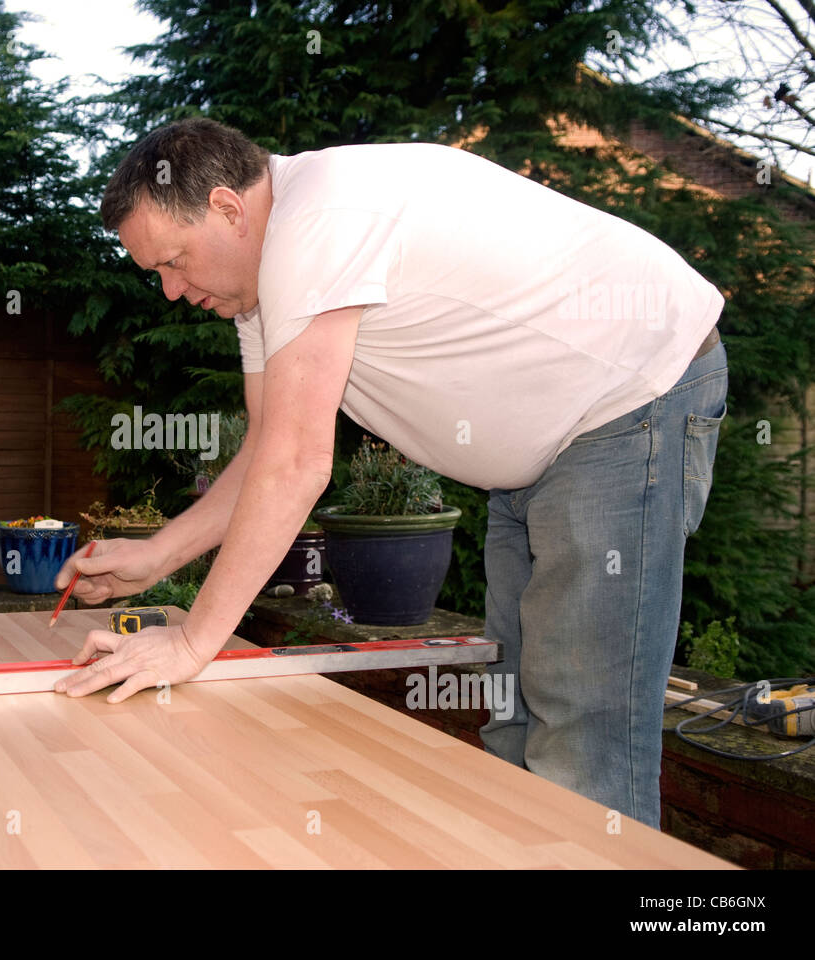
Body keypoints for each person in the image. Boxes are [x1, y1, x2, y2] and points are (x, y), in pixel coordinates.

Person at [52, 117, 727, 829]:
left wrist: (191, 645)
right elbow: (265, 450)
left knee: (583, 737)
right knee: (513, 715)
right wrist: (157, 556)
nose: (170, 289)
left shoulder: (318, 222)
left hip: (633, 397)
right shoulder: (264, 284)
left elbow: (298, 465)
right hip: (548, 449)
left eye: (174, 260)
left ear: (227, 208)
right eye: (157, 272)